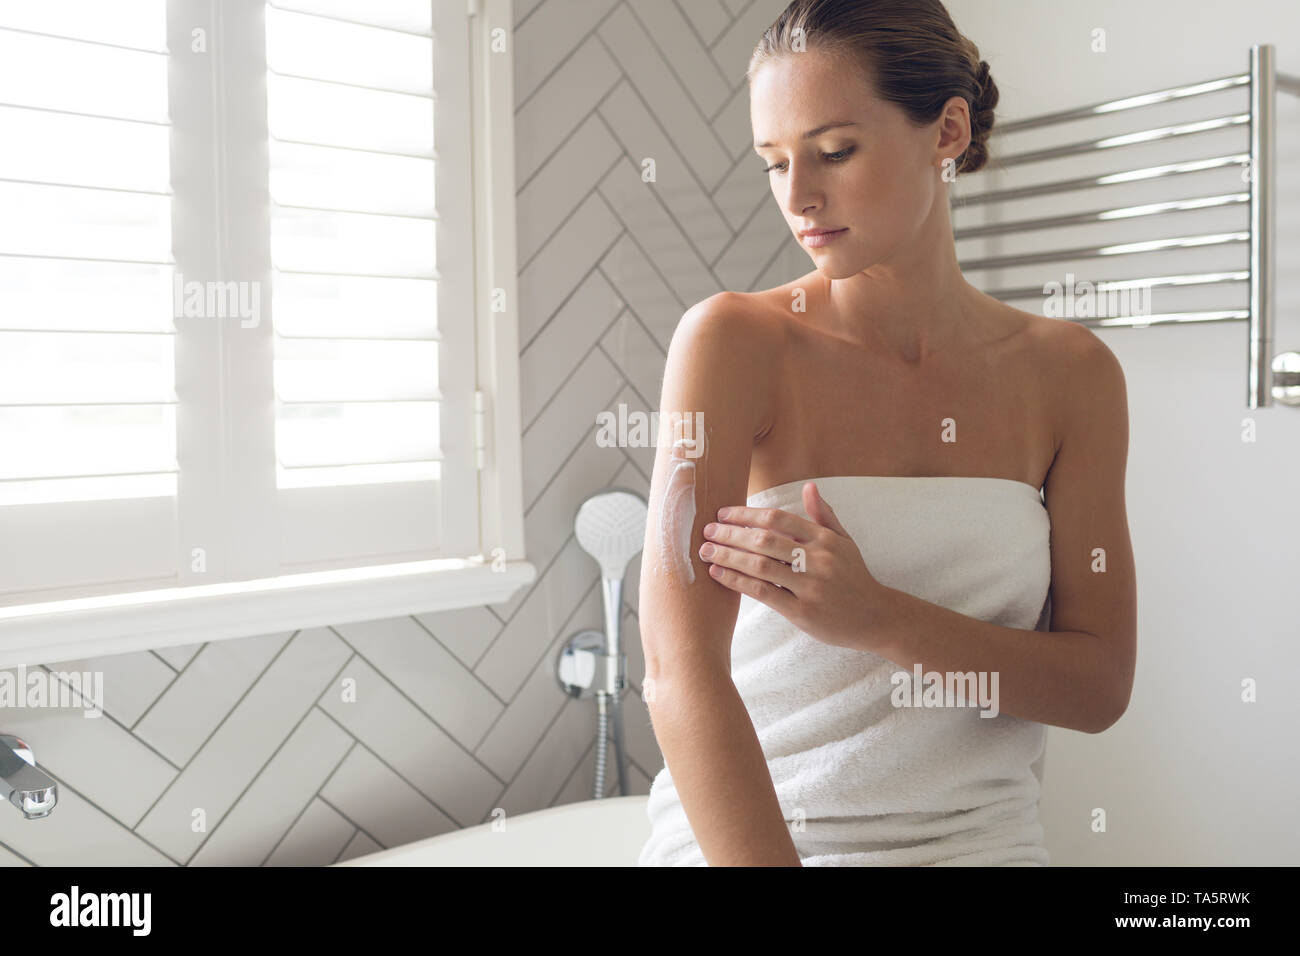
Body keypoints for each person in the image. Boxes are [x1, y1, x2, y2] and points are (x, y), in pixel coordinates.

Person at [636, 0, 1137, 866]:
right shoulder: (733, 342)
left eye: (835, 151)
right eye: (774, 163)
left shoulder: (1072, 373)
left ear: (947, 131)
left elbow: (1097, 686)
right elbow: (678, 675)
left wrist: (880, 619)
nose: (797, 196)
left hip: (982, 846)